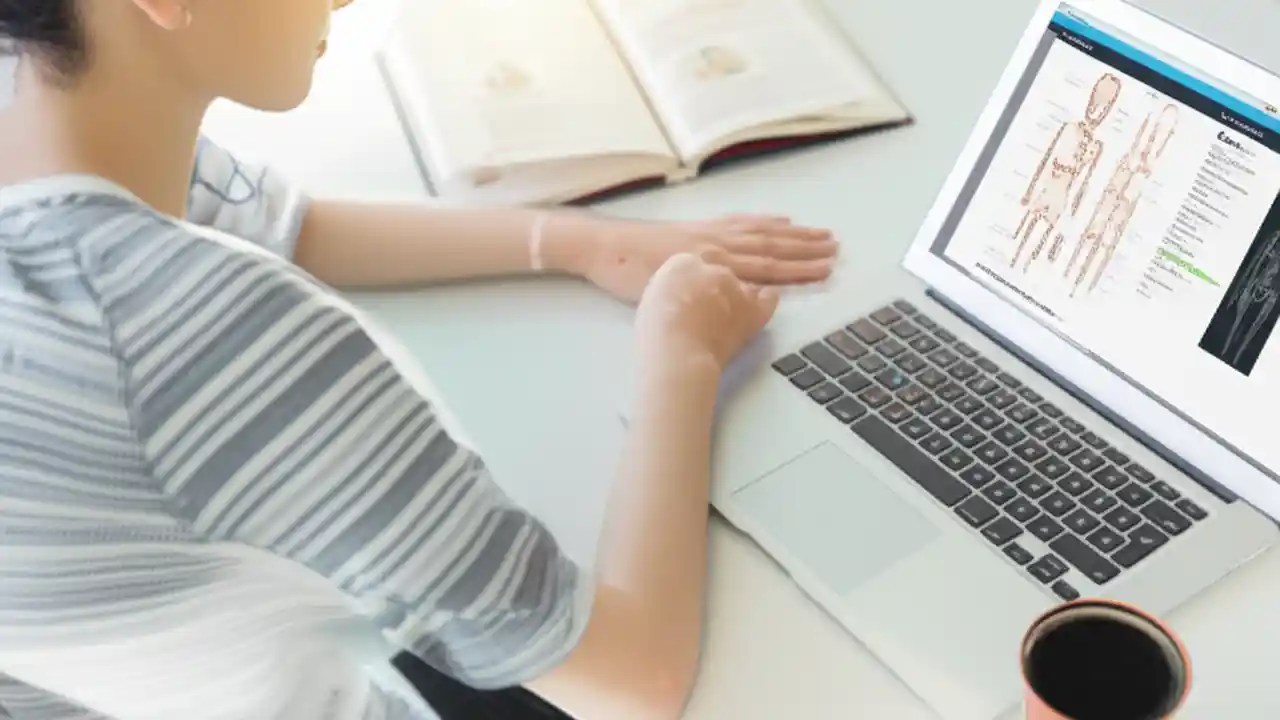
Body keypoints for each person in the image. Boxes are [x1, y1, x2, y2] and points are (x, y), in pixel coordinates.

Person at [0, 2, 839, 720]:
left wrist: (580, 241)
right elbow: (633, 681)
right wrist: (683, 362)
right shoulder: (185, 325)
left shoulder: (41, 116)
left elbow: (286, 225)